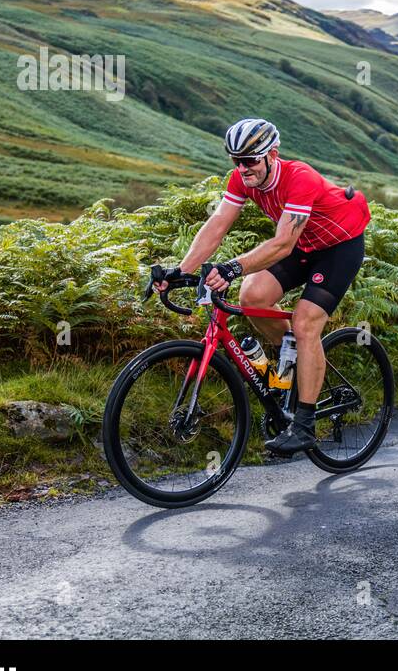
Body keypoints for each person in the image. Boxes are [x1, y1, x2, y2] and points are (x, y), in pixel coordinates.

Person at [153, 118, 371, 456]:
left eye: (251, 159)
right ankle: (295, 359)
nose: (243, 167)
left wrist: (232, 267)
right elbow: (217, 226)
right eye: (236, 160)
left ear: (272, 154)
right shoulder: (242, 179)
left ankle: (305, 424)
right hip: (303, 246)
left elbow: (282, 244)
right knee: (252, 295)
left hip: (339, 246)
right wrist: (181, 270)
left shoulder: (299, 177)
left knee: (304, 323)